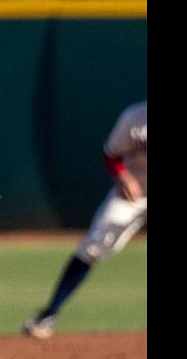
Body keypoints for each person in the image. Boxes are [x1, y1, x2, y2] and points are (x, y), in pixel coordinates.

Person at [23, 100, 147, 339]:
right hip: (134, 191)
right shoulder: (134, 117)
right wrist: (124, 178)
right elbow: (112, 155)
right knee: (93, 245)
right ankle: (49, 314)